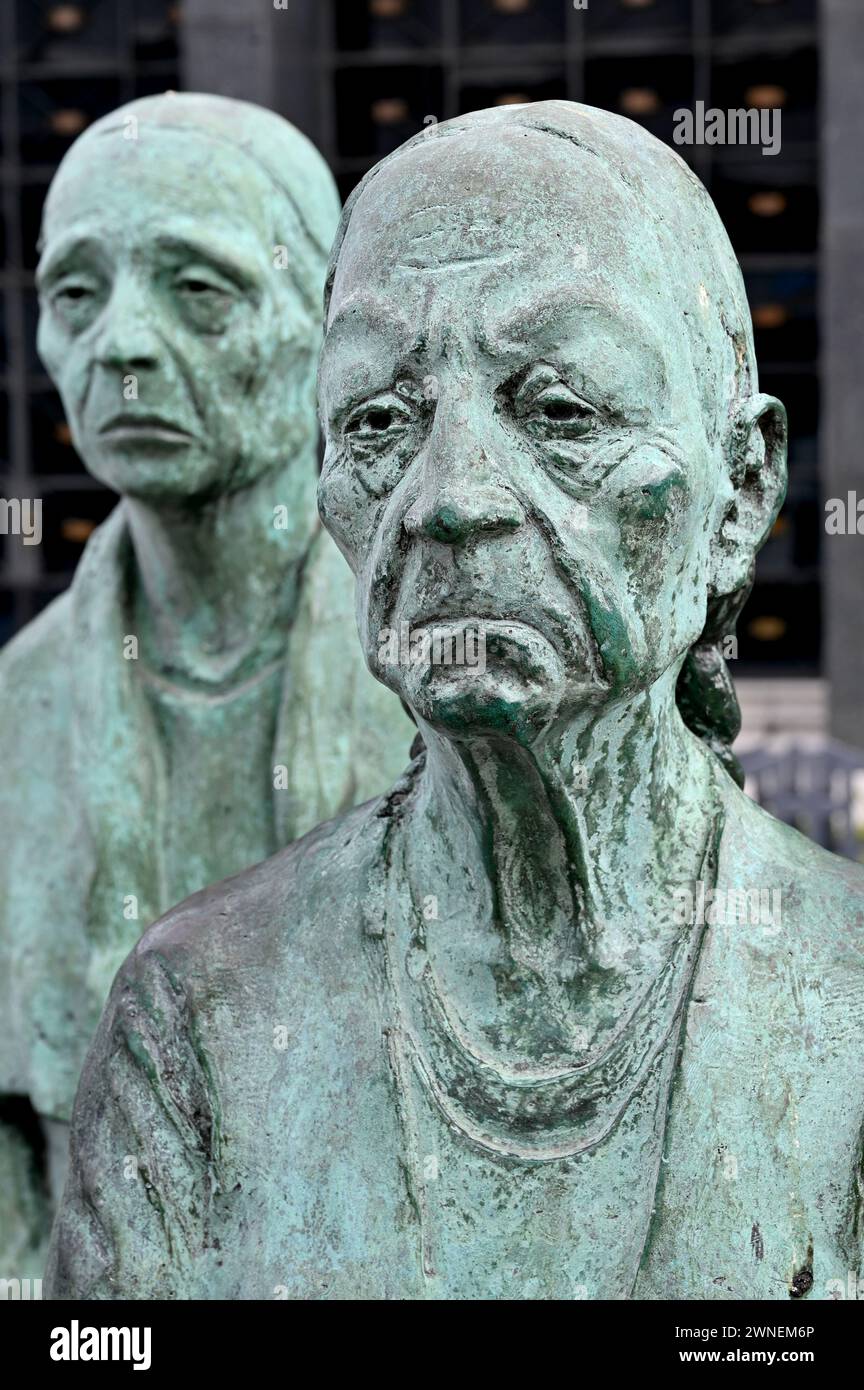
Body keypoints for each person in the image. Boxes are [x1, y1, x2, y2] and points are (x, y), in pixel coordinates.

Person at [47, 101, 864, 1301]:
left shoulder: (844, 1002)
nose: (449, 499)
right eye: (380, 419)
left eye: (560, 412)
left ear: (740, 492)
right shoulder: (196, 1020)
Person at [0, 92, 414, 1278]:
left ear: (321, 327)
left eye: (197, 290)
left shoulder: (442, 684)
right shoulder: (18, 715)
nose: (121, 344)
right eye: (76, 294)